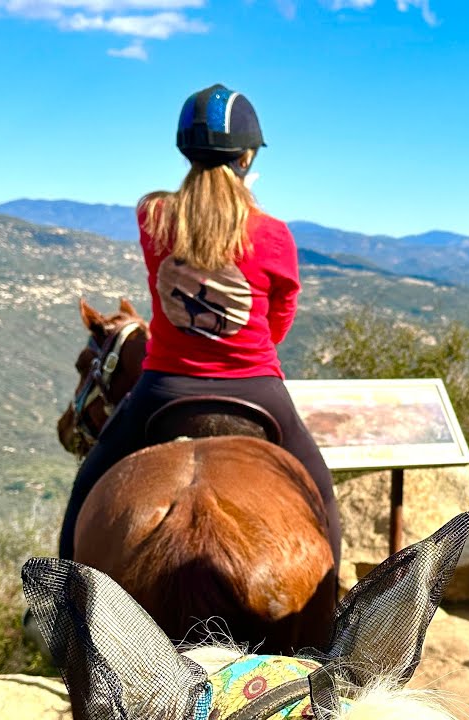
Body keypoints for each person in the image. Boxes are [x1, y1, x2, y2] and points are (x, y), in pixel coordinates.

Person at [56, 84, 341, 572]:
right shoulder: (273, 233)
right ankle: (331, 601)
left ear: (184, 151)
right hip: (257, 389)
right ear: (247, 157)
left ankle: (63, 600)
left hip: (164, 387)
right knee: (323, 501)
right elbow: (280, 314)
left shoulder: (154, 216)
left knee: (86, 492)